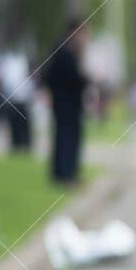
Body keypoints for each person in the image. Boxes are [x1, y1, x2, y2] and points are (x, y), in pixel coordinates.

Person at [42, 19, 89, 185]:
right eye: (83, 33)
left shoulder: (70, 51)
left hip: (69, 103)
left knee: (68, 137)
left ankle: (66, 173)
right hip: (64, 103)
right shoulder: (63, 51)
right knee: (66, 138)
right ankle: (65, 175)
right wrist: (87, 80)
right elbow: (68, 78)